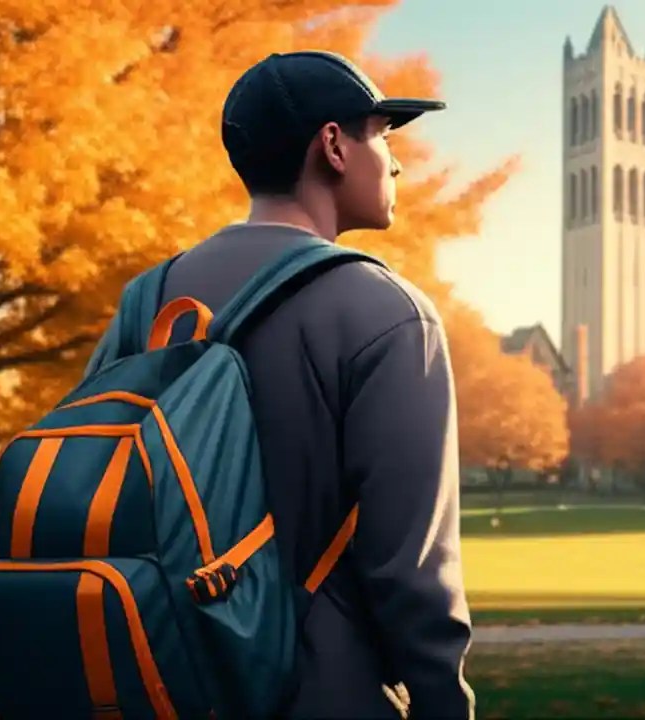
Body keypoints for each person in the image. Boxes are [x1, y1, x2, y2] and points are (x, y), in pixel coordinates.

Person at [159, 51, 474, 719]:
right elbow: (411, 568)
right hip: (320, 691)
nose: (395, 164)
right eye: (382, 135)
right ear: (333, 145)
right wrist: (443, 699)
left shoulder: (147, 300)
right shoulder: (389, 313)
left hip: (159, 679)